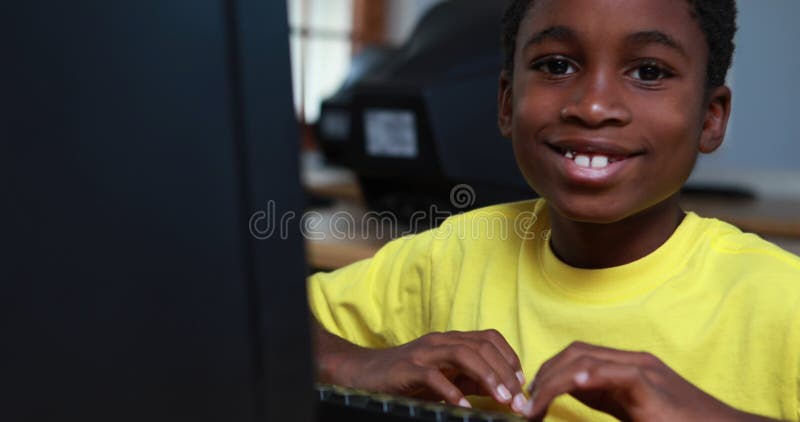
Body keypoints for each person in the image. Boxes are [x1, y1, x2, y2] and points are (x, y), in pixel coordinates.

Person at [306, 0, 800, 420]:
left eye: (648, 72)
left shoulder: (782, 302)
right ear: (506, 102)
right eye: (556, 66)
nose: (592, 105)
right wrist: (349, 364)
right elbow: (249, 321)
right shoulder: (446, 260)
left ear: (710, 119)